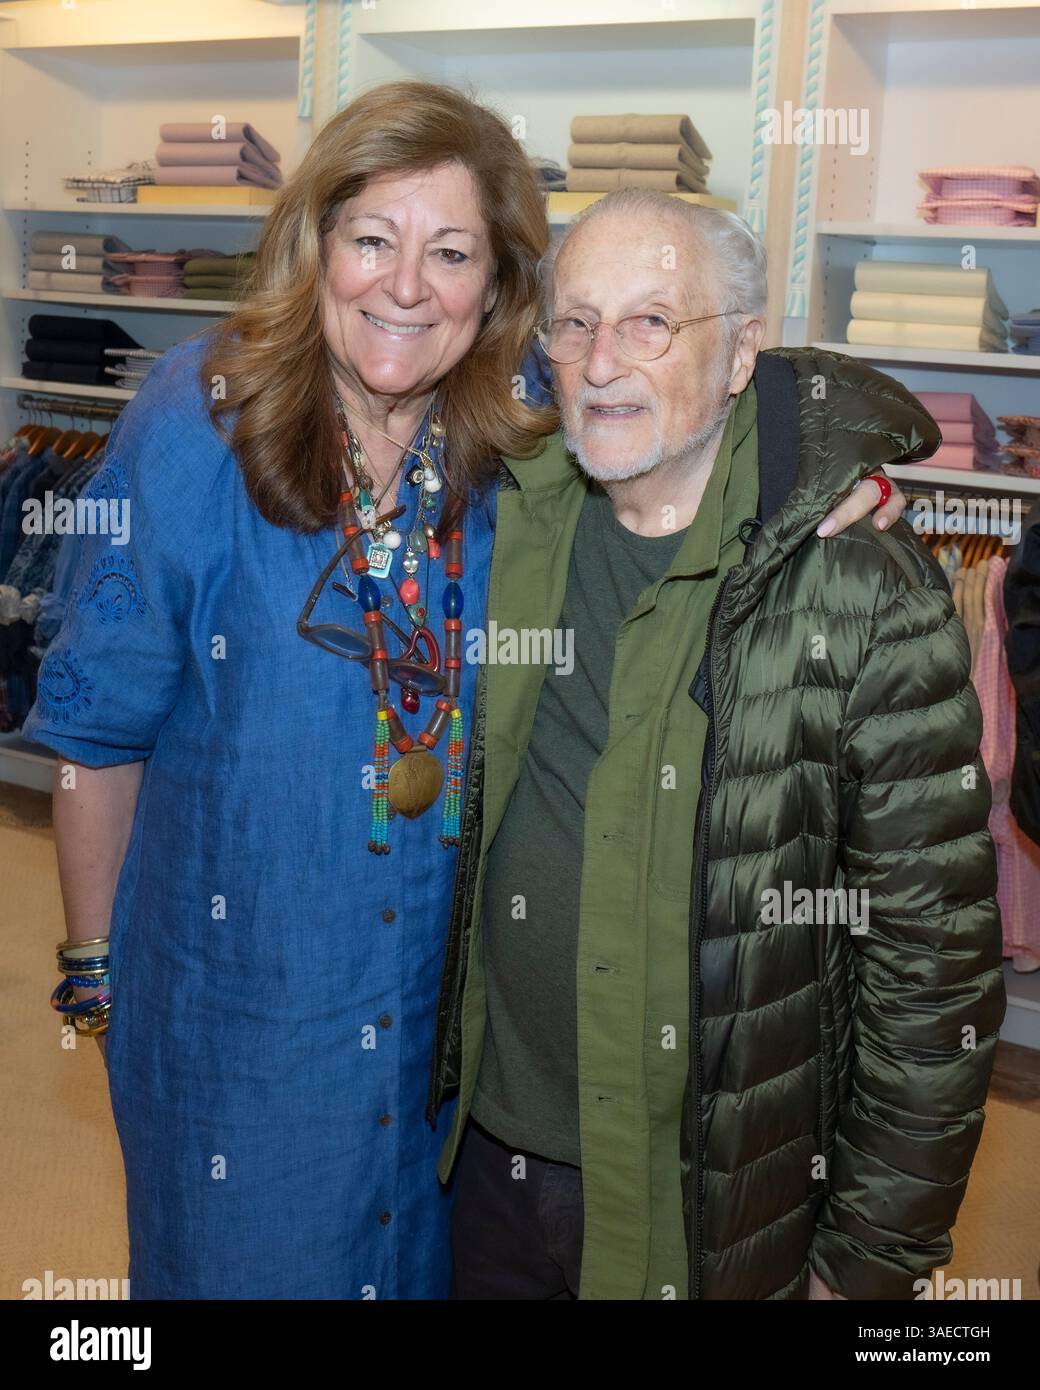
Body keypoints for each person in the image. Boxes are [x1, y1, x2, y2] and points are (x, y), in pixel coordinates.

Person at [25, 85, 901, 1300]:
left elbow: (689, 365)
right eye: (370, 239)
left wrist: (818, 477)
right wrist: (95, 975)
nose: (404, 285)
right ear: (315, 245)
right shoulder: (197, 418)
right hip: (239, 1018)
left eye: (450, 253)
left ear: (497, 290)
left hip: (438, 1051)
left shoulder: (518, 448)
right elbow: (95, 736)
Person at [430, 189, 1007, 1301]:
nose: (601, 362)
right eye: (575, 321)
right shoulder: (506, 517)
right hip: (489, 1161)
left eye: (651, 322)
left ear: (744, 351)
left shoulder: (859, 577)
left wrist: (870, 1260)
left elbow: (930, 963)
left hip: (713, 1200)